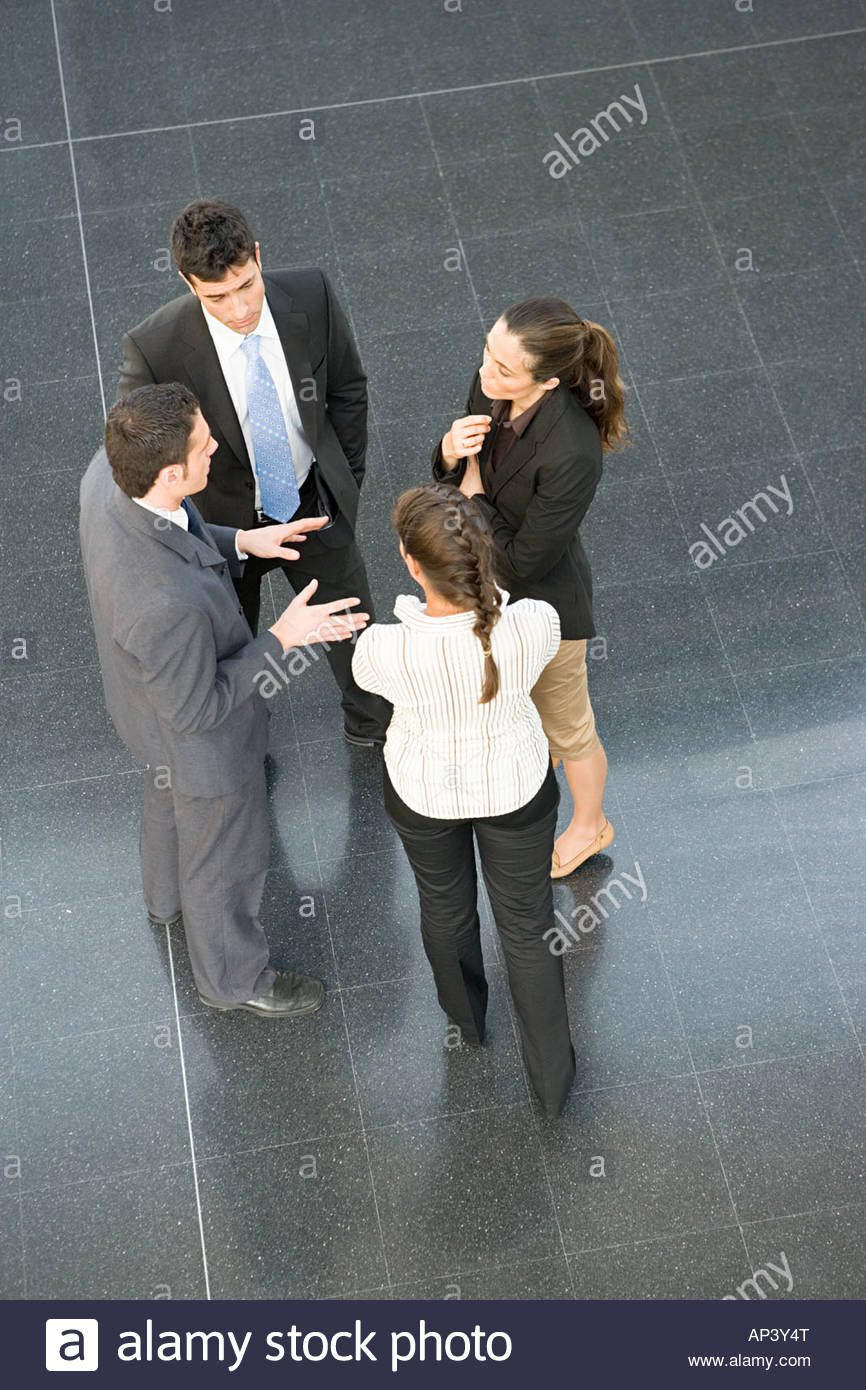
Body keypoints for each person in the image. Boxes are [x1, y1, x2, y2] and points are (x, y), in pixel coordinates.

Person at [80, 383, 369, 1017]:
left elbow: (177, 527)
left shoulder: (109, 473)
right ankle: (233, 980)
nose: (217, 445)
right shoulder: (163, 606)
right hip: (203, 745)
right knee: (224, 865)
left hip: (141, 711)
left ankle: (164, 902)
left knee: (162, 789)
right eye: (205, 443)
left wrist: (241, 542)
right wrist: (285, 638)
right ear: (171, 471)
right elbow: (199, 711)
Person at [117, 197, 389, 747]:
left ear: (258, 257)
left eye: (247, 284)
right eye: (217, 296)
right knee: (231, 651)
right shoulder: (154, 348)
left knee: (353, 627)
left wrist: (345, 482)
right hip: (223, 528)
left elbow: (347, 389)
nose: (240, 308)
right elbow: (143, 459)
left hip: (311, 504)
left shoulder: (312, 294)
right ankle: (245, 745)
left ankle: (374, 728)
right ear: (187, 282)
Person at [352, 484, 575, 1117]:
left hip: (423, 793)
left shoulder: (384, 648)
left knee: (445, 910)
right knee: (529, 932)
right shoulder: (534, 625)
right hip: (517, 790)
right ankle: (553, 1086)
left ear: (410, 562)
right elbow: (540, 638)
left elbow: (367, 679)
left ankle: (468, 1024)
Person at [433, 297, 629, 878]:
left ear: (547, 380)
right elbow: (459, 469)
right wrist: (450, 454)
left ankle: (591, 824)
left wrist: (471, 496)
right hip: (486, 588)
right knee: (515, 704)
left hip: (547, 605)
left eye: (503, 370)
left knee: (569, 726)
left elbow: (520, 563)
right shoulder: (492, 379)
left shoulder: (573, 450)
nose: (486, 375)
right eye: (487, 355)